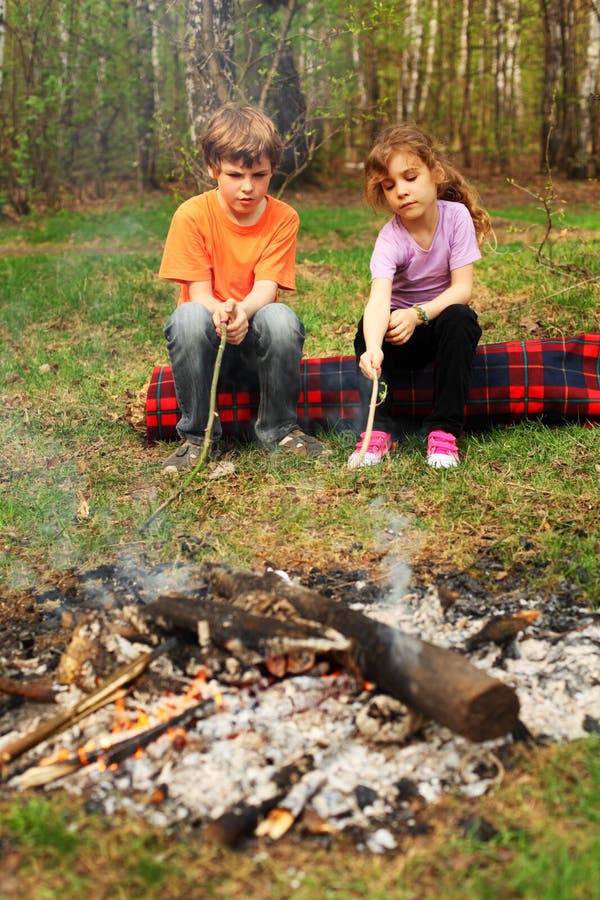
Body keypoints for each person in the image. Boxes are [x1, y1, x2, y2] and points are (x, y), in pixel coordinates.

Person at [159, 104, 326, 473]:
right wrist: (221, 312)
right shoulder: (191, 215)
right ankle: (196, 438)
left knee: (281, 318)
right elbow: (199, 292)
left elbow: (267, 288)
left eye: (259, 175)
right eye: (235, 174)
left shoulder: (284, 218)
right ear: (212, 168)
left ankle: (280, 429)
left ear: (272, 171)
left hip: (257, 346)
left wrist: (242, 314)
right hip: (206, 344)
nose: (248, 186)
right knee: (186, 316)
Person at [348, 124, 492, 469]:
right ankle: (378, 430)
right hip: (401, 336)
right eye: (390, 185)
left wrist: (419, 314)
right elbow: (379, 300)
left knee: (461, 317)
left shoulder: (456, 218)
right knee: (366, 328)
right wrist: (372, 347)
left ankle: (443, 431)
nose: (401, 191)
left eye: (410, 177)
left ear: (435, 174)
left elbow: (463, 289)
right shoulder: (390, 239)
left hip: (437, 323)